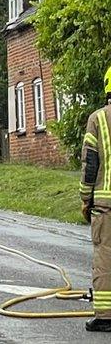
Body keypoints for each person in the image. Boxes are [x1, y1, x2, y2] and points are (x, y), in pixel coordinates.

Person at [80, 66, 111, 332]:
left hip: (106, 205)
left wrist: (85, 198)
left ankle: (105, 316)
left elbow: (90, 164)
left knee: (105, 257)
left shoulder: (98, 119)